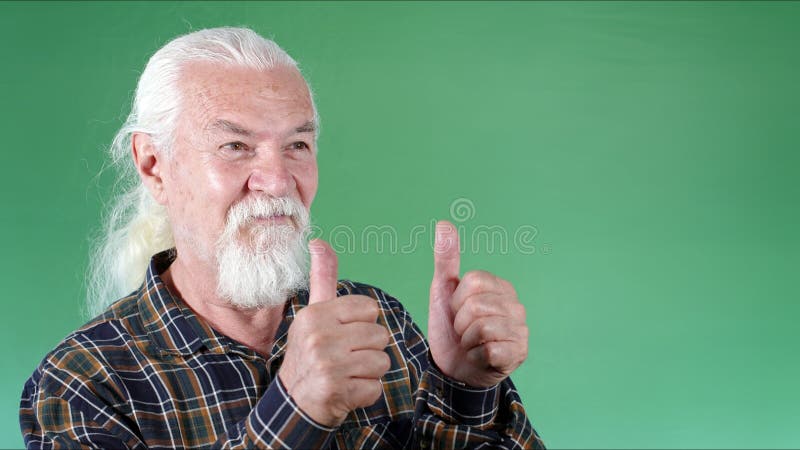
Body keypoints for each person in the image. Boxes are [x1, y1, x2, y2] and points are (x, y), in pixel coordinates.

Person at [19, 27, 545, 449]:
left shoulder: (377, 323)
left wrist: (465, 389)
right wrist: (296, 409)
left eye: (297, 145)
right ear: (154, 165)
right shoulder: (82, 384)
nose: (277, 181)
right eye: (235, 146)